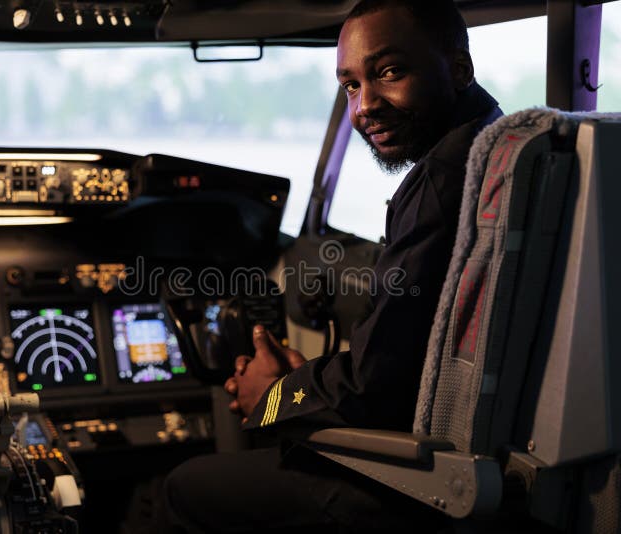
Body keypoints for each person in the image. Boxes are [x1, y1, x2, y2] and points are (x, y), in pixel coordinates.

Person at [142, 0, 503, 531]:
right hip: (474, 461)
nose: (363, 108)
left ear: (458, 68)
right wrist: (305, 379)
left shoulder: (442, 183)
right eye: (351, 86)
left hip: (420, 484)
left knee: (179, 488)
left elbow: (370, 390)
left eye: (389, 72)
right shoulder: (497, 153)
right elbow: (394, 362)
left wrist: (271, 398)